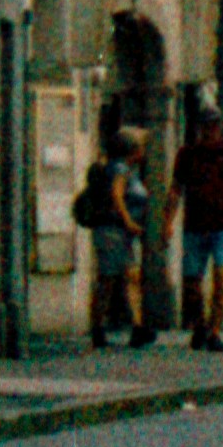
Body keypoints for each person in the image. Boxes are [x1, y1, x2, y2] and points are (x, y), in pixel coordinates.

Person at [169, 100, 223, 354]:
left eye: (215, 125)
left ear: (220, 127)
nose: (211, 130)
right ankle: (199, 325)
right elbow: (176, 189)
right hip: (195, 226)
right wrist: (168, 222)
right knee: (192, 284)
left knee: (222, 277)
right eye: (206, 126)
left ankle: (215, 331)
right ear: (199, 128)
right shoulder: (187, 155)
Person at [75, 133, 146, 352]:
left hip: (116, 232)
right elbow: (117, 196)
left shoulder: (119, 168)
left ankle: (135, 327)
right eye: (140, 147)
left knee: (126, 277)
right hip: (114, 231)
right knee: (110, 279)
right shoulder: (120, 169)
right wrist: (129, 221)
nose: (143, 150)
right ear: (131, 151)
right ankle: (101, 327)